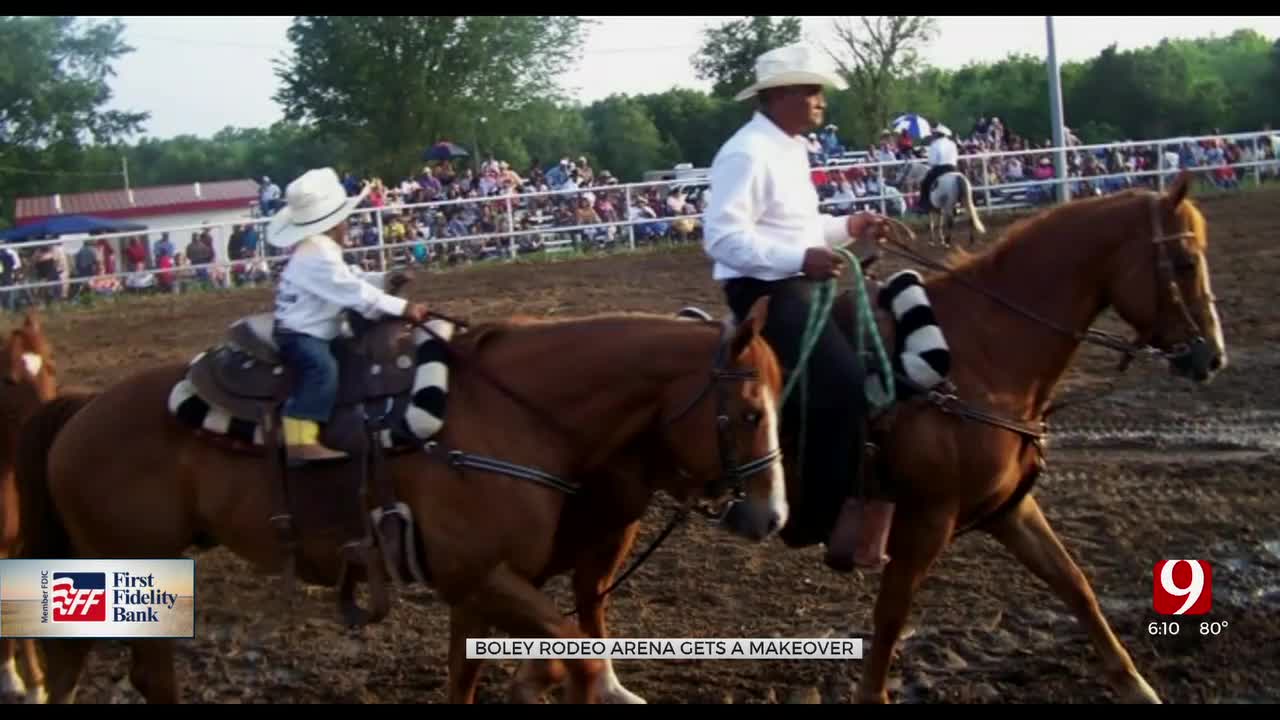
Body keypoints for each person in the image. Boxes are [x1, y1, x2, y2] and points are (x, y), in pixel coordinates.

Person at [702, 42, 891, 572]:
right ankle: (820, 517)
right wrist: (797, 258)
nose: (820, 100)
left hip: (798, 281)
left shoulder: (788, 147)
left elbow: (800, 230)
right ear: (780, 95)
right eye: (812, 90)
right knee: (842, 383)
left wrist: (847, 228)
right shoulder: (746, 152)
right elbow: (721, 239)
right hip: (766, 292)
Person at [267, 167, 430, 464]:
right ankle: (299, 438)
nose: (347, 225)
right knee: (322, 370)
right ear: (333, 224)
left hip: (305, 329)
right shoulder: (317, 255)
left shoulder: (316, 249)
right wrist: (402, 307)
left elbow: (351, 279)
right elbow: (354, 292)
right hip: (301, 335)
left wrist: (384, 279)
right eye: (345, 220)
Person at [918, 126, 957, 212]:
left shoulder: (935, 144)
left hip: (940, 169)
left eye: (934, 134)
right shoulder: (952, 143)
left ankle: (925, 205)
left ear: (937, 134)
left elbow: (932, 162)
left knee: (925, 183)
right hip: (953, 169)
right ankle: (958, 205)